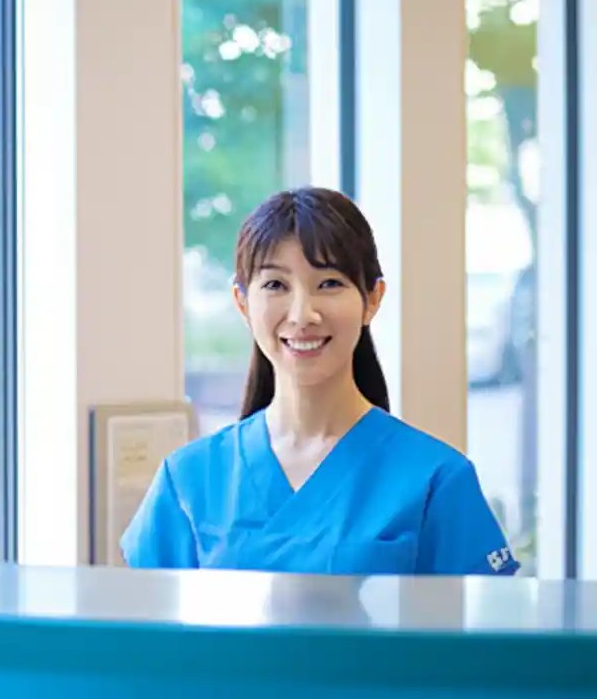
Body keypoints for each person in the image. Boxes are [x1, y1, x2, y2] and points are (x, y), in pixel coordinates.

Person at [121, 187, 518, 576]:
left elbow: (476, 637)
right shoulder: (190, 479)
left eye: (329, 283)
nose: (301, 314)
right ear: (242, 302)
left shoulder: (435, 479)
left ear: (372, 299)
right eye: (275, 285)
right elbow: (148, 635)